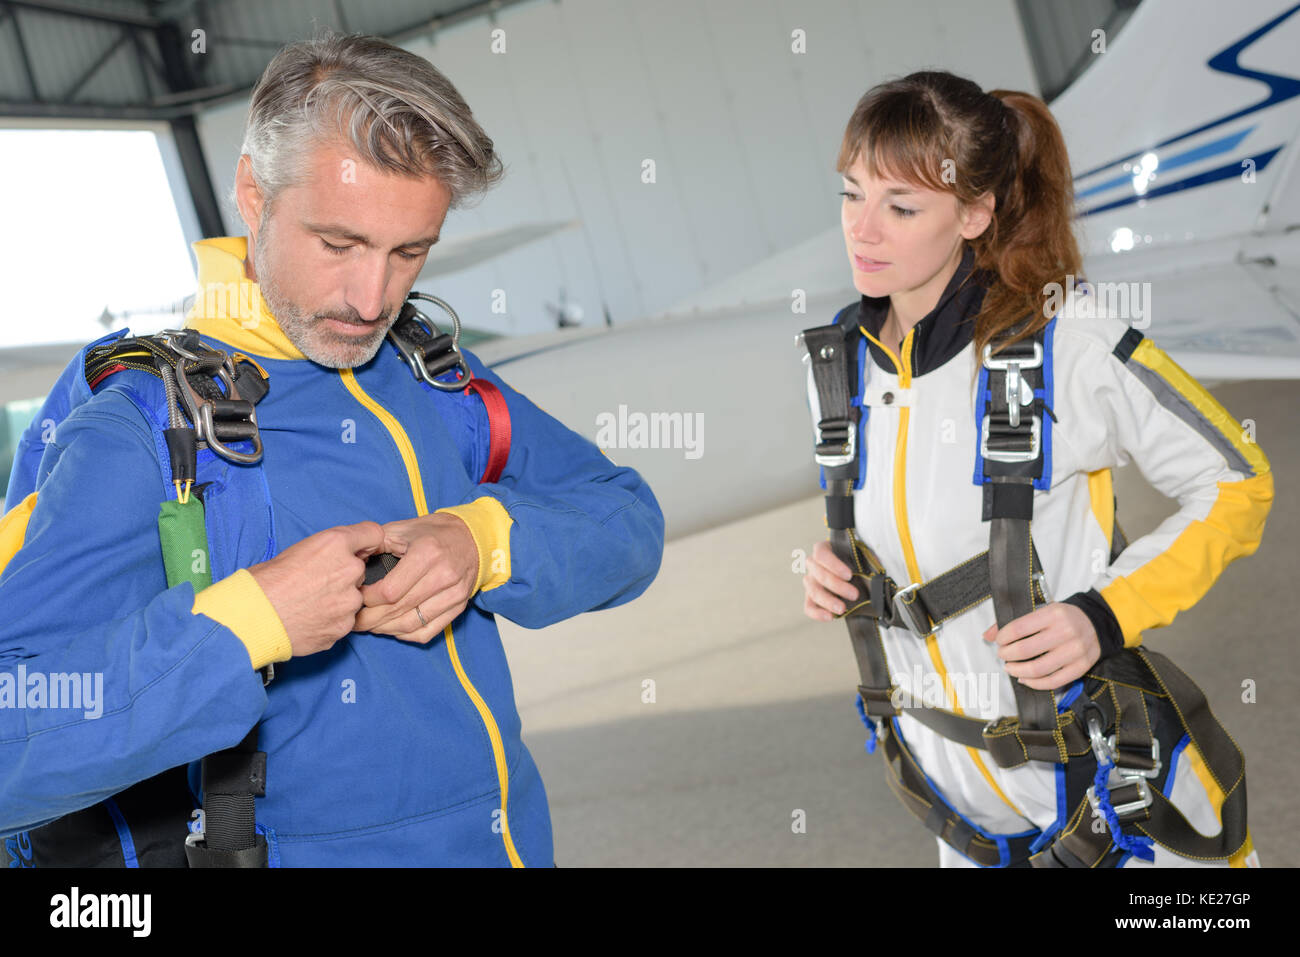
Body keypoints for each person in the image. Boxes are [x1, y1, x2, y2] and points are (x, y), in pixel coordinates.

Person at [0, 31, 664, 867]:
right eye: (339, 244)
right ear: (253, 190)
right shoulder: (139, 427)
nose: (371, 298)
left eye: (409, 252)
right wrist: (245, 624)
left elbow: (628, 519)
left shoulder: (431, 373)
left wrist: (484, 541)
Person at [800, 71, 1272, 868]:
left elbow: (1237, 479)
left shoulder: (1070, 340)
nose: (862, 230)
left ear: (975, 213)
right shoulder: (840, 366)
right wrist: (837, 570)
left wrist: (1106, 611)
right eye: (852, 195)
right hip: (966, 824)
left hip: (1117, 805)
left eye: (901, 207)